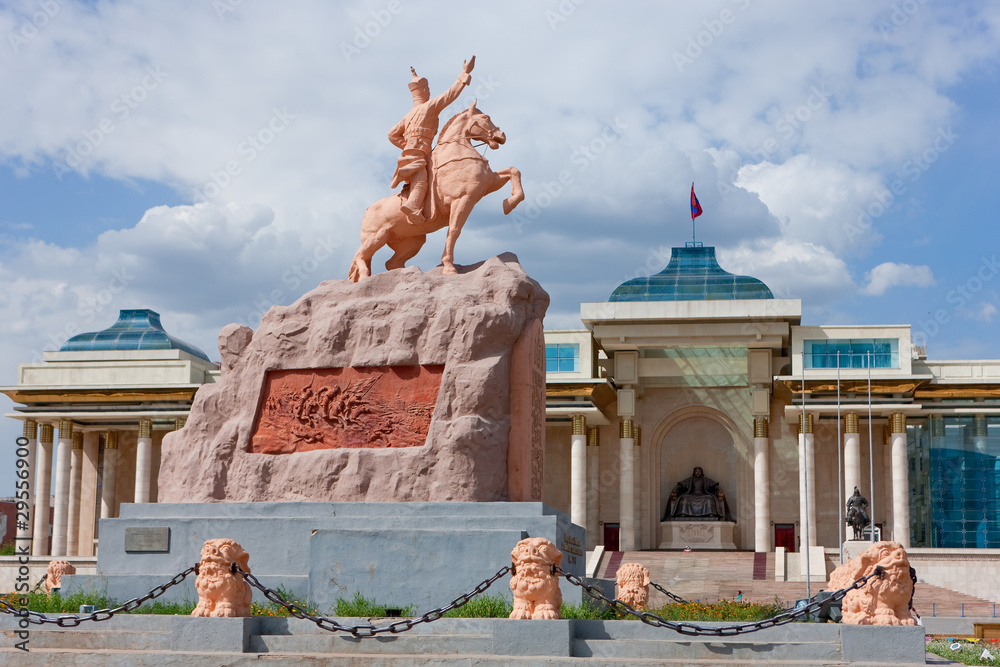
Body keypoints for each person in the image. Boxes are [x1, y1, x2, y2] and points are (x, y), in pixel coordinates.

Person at [388, 56, 475, 223]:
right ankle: (413, 205)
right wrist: (465, 73)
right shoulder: (429, 107)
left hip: (409, 153)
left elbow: (392, 134)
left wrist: (406, 145)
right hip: (420, 152)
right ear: (425, 92)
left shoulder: (408, 115)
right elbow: (450, 94)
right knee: (422, 181)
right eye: (427, 90)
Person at [663, 466, 731, 521]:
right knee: (685, 498)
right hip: (692, 495)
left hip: (703, 495)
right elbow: (680, 485)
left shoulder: (705, 479)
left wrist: (719, 489)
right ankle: (683, 513)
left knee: (709, 498)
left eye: (699, 471)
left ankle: (711, 513)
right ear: (694, 472)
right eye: (696, 471)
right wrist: (675, 489)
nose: (698, 472)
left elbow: (715, 485)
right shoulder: (690, 479)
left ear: (702, 472)